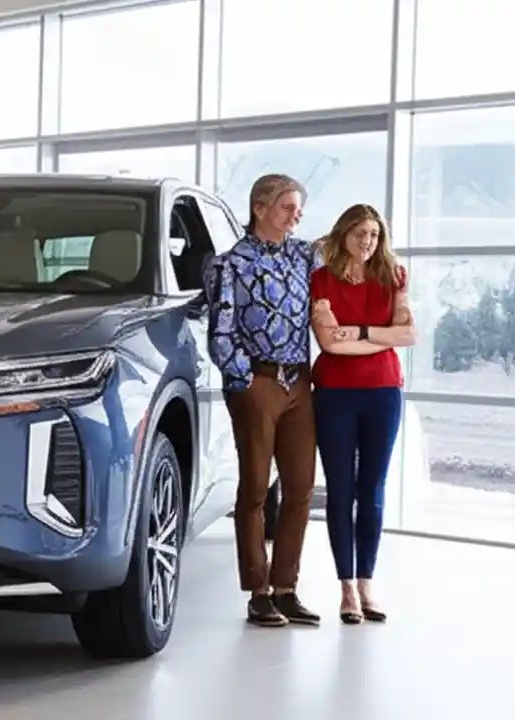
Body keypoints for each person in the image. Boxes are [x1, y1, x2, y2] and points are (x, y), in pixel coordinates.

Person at [204, 173, 321, 628]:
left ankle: (286, 587)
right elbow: (221, 333)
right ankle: (258, 591)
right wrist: (244, 379)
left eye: (298, 208)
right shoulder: (229, 265)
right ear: (260, 209)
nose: (297, 215)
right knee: (255, 489)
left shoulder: (304, 256)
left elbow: (352, 262)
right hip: (257, 382)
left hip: (300, 383)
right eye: (288, 207)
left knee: (301, 487)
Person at [308, 203, 417, 625]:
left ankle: (368, 584)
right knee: (340, 488)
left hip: (384, 393)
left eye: (373, 234)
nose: (367, 241)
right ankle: (346, 588)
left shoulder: (394, 277)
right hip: (335, 394)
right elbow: (330, 344)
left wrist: (360, 332)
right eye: (359, 234)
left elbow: (409, 334)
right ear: (343, 236)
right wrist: (382, 337)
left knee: (372, 488)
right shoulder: (321, 279)